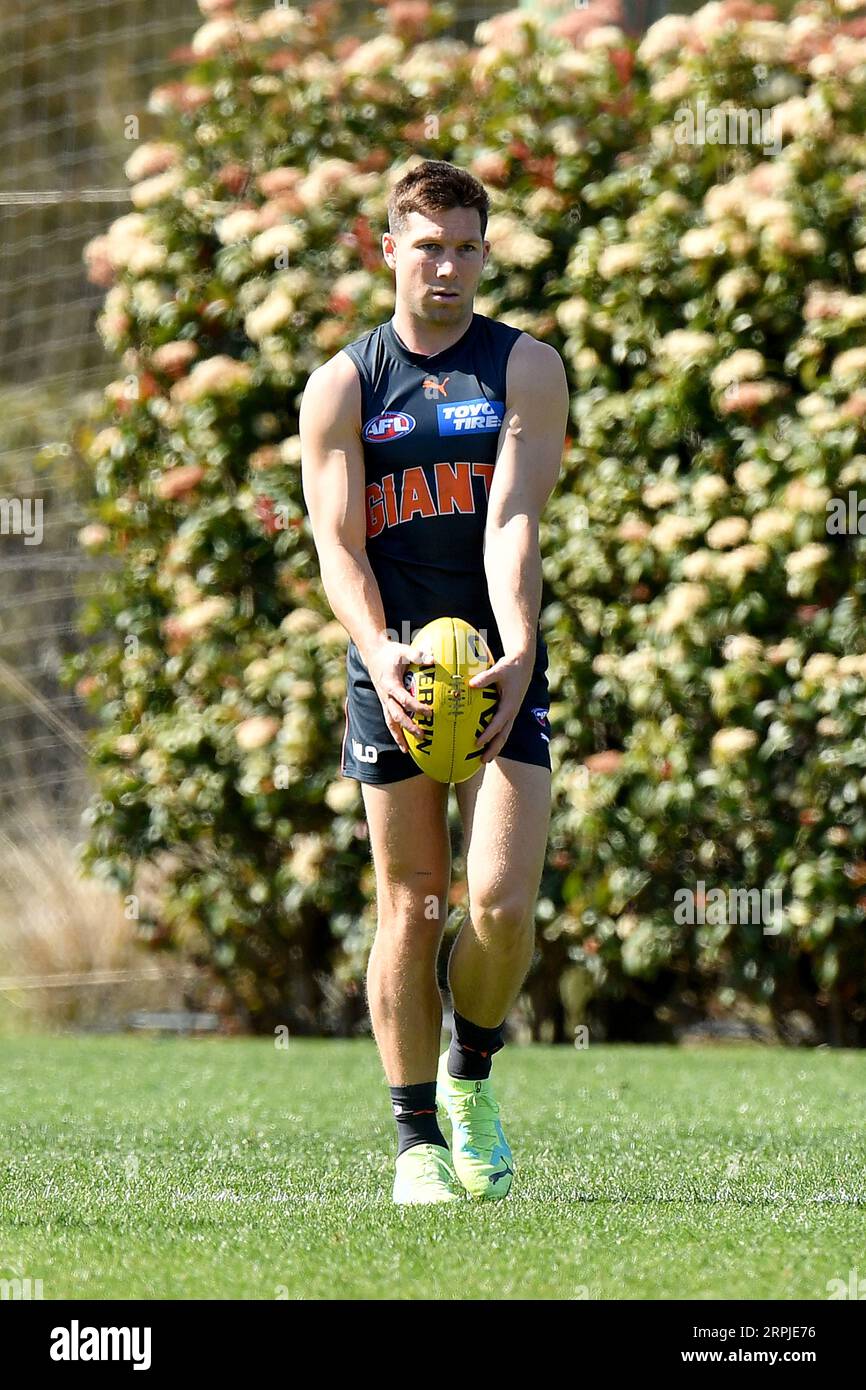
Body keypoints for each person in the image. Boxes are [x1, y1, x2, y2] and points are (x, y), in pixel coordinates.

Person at [300, 159, 569, 1203]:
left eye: (464, 247)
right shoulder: (344, 383)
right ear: (388, 250)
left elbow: (511, 520)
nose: (447, 266)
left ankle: (471, 1072)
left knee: (500, 906)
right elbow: (337, 546)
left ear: (483, 253)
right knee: (411, 905)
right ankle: (415, 1140)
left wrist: (518, 642)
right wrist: (377, 652)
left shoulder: (524, 367)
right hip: (394, 665)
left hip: (497, 661)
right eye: (427, 246)